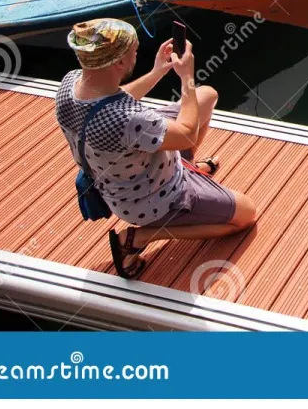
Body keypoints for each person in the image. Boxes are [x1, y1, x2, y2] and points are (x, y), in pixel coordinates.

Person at [56, 19, 257, 278]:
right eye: (134, 51)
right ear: (118, 63)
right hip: (149, 199)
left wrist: (157, 73)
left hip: (118, 172)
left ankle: (187, 167)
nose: (136, 54)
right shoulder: (129, 120)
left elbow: (109, 99)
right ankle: (138, 237)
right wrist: (187, 78)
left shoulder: (70, 85)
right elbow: (186, 135)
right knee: (246, 215)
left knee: (206, 97)